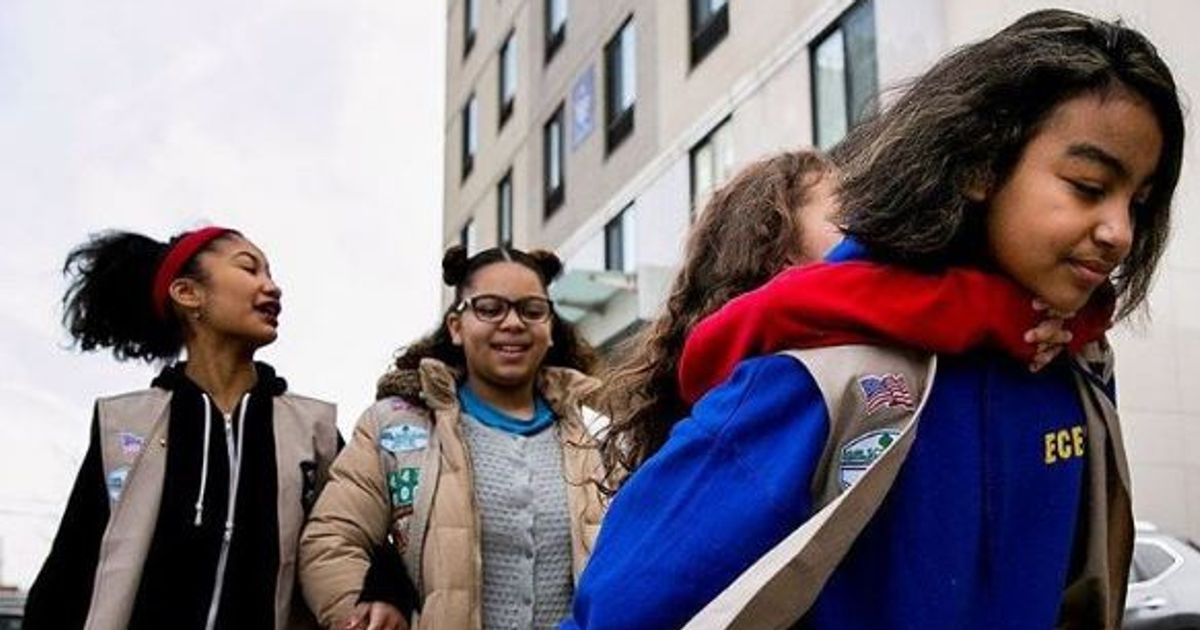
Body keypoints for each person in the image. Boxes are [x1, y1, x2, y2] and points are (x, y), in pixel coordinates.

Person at [567, 9, 1182, 629]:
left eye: (1138, 202)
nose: (1120, 233)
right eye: (1087, 185)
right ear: (977, 165)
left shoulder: (1071, 371)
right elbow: (623, 607)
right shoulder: (836, 377)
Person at [596, 150, 1108, 492]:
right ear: (775, 255)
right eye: (848, 212)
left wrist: (1069, 316)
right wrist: (1031, 316)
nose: (873, 225)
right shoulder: (774, 348)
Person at [25, 227, 339, 630]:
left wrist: (384, 592)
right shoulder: (124, 426)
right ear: (188, 294)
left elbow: (348, 539)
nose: (272, 287)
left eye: (271, 273)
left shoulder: (313, 429)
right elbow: (70, 569)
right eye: (249, 268)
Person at [300, 245, 605, 630]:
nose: (513, 323)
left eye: (532, 310)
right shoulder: (395, 426)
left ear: (550, 329)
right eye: (490, 308)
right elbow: (332, 540)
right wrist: (367, 615)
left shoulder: (599, 434)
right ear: (456, 327)